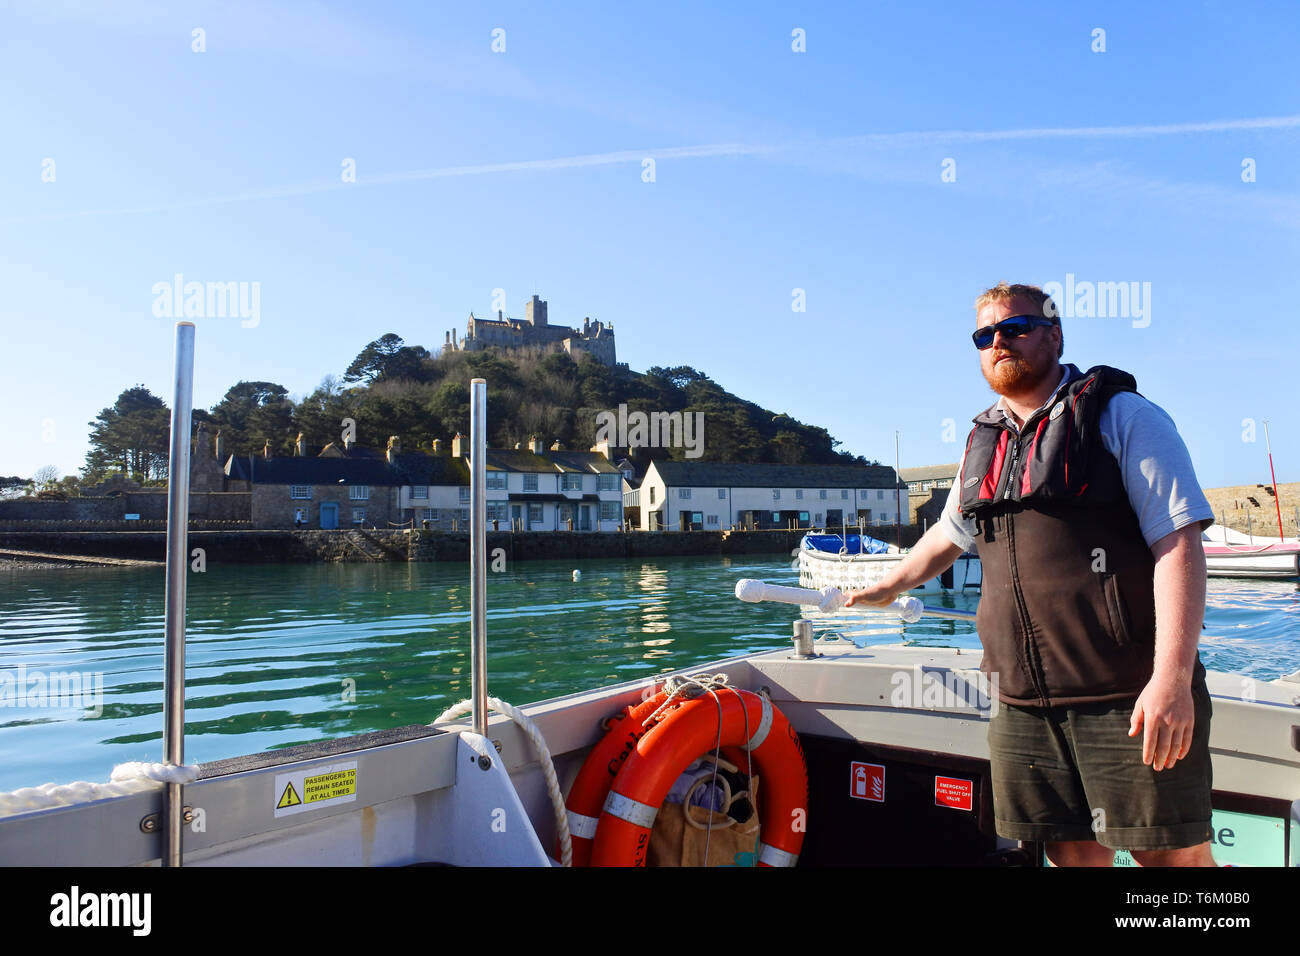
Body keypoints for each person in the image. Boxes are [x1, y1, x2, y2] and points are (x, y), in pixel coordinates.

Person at [846, 281, 1215, 867]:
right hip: (1021, 702)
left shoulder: (1123, 416)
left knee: (1171, 862)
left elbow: (1179, 544)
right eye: (985, 335)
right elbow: (949, 535)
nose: (999, 342)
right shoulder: (982, 441)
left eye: (1015, 328)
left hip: (1127, 695)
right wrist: (889, 584)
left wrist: (1170, 679)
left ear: (1055, 334)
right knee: (1070, 854)